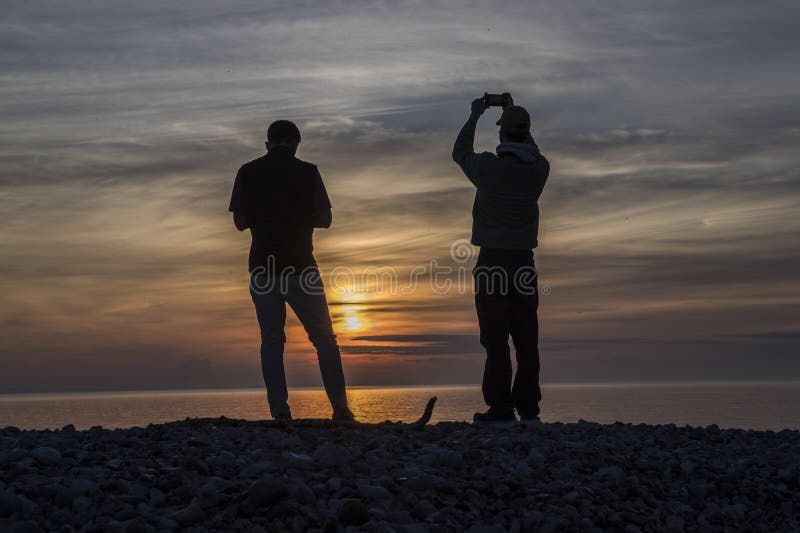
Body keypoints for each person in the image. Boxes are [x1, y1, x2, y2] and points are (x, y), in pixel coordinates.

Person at [229, 120, 355, 423]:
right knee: (324, 339)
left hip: (262, 268)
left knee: (272, 340)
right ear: (297, 143)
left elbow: (239, 222)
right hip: (302, 267)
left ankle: (280, 411)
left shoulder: (247, 171)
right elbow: (325, 219)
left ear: (267, 143)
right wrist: (298, 218)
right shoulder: (308, 172)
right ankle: (340, 408)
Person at [452, 96, 550, 426]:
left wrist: (475, 114)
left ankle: (501, 409)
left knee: (496, 339)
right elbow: (531, 150)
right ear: (527, 133)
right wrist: (513, 110)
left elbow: (460, 152)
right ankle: (530, 410)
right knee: (526, 338)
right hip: (523, 262)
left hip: (493, 261)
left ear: (502, 135)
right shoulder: (539, 169)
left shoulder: (488, 168)